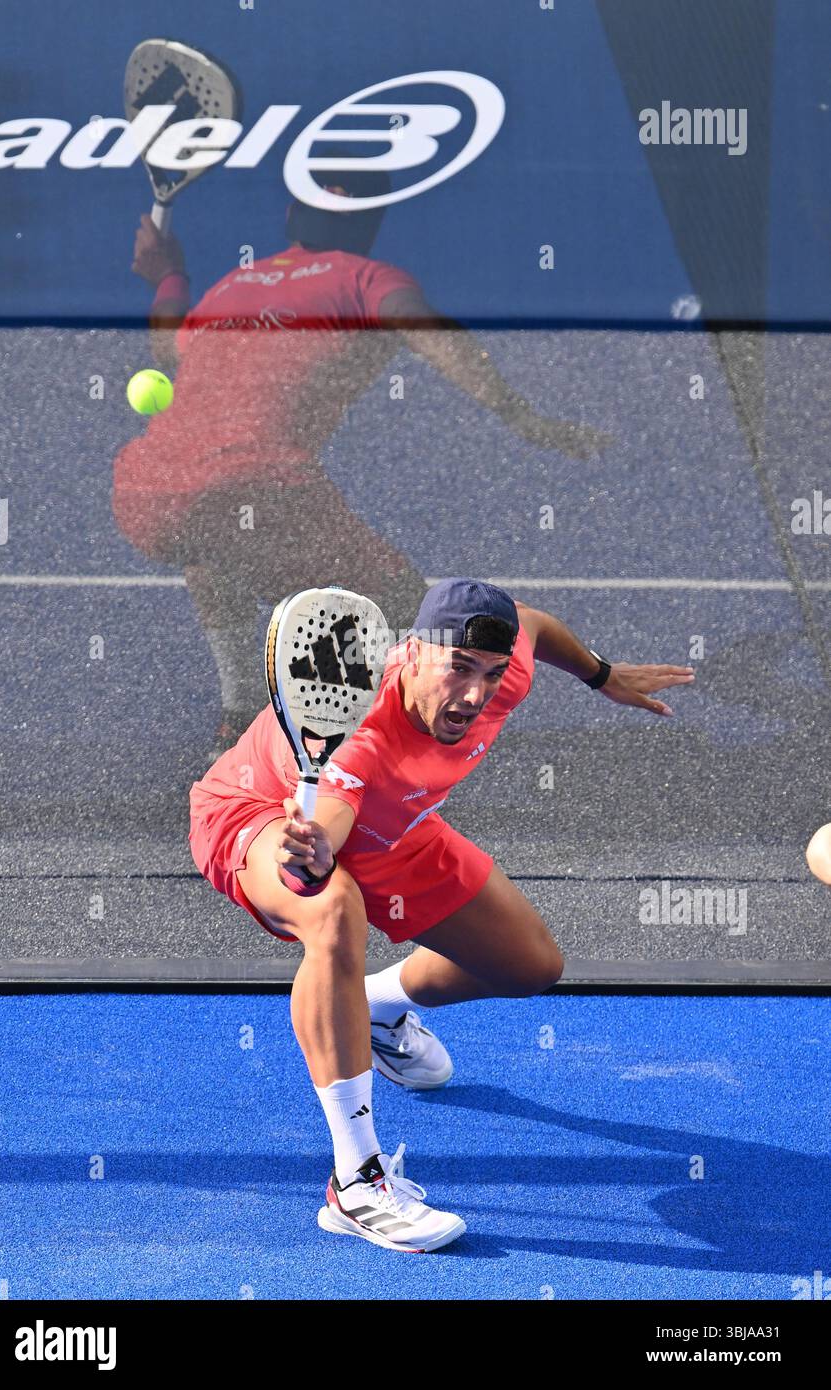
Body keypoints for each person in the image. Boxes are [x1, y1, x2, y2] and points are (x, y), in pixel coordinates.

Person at [189, 577, 695, 1251]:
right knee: (332, 908)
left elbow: (533, 626)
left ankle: (371, 1006)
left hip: (393, 831)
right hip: (261, 821)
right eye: (458, 669)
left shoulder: (502, 674)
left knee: (529, 965)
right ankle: (356, 1182)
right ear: (413, 652)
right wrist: (311, 853)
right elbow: (330, 822)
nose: (474, 694)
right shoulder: (362, 734)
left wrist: (599, 675)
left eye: (488, 673)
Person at [115, 169, 612, 758]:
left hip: (148, 489)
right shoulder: (371, 280)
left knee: (214, 537)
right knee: (404, 605)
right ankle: (388, 751)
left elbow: (167, 352)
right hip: (260, 483)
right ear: (373, 221)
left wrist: (168, 275)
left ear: (291, 218)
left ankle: (236, 706)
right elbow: (433, 336)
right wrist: (523, 416)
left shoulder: (231, 285)